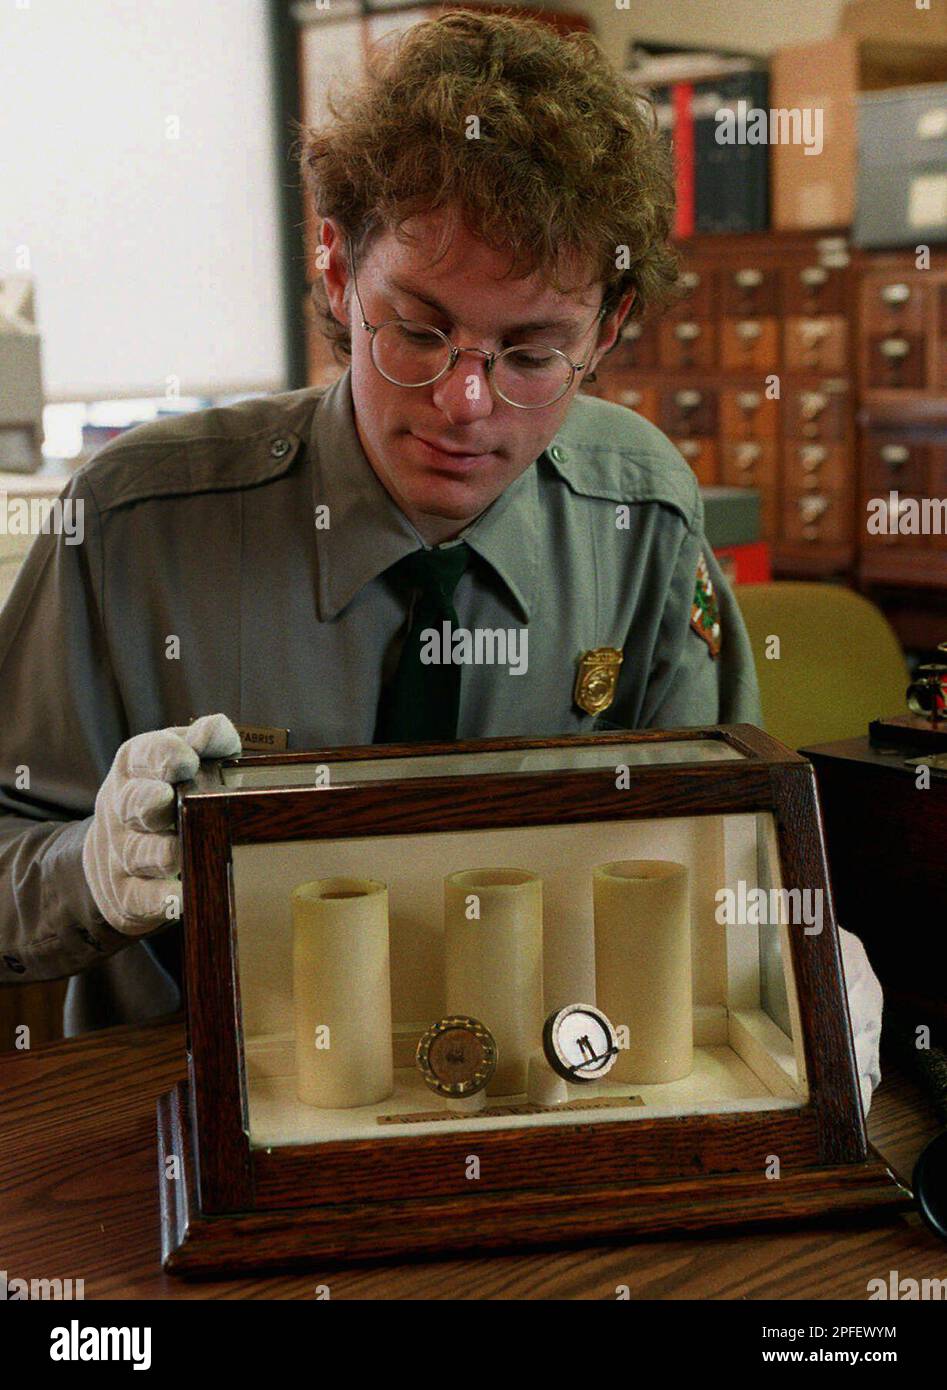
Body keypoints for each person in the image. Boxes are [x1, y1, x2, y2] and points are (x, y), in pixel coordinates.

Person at [0, 11, 881, 1108]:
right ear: (333, 263)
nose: (466, 405)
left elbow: (721, 843)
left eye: (530, 354)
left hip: (544, 1106)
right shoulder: (134, 526)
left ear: (603, 331)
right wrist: (88, 871)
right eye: (417, 331)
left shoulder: (639, 513)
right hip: (191, 1124)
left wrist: (793, 941)